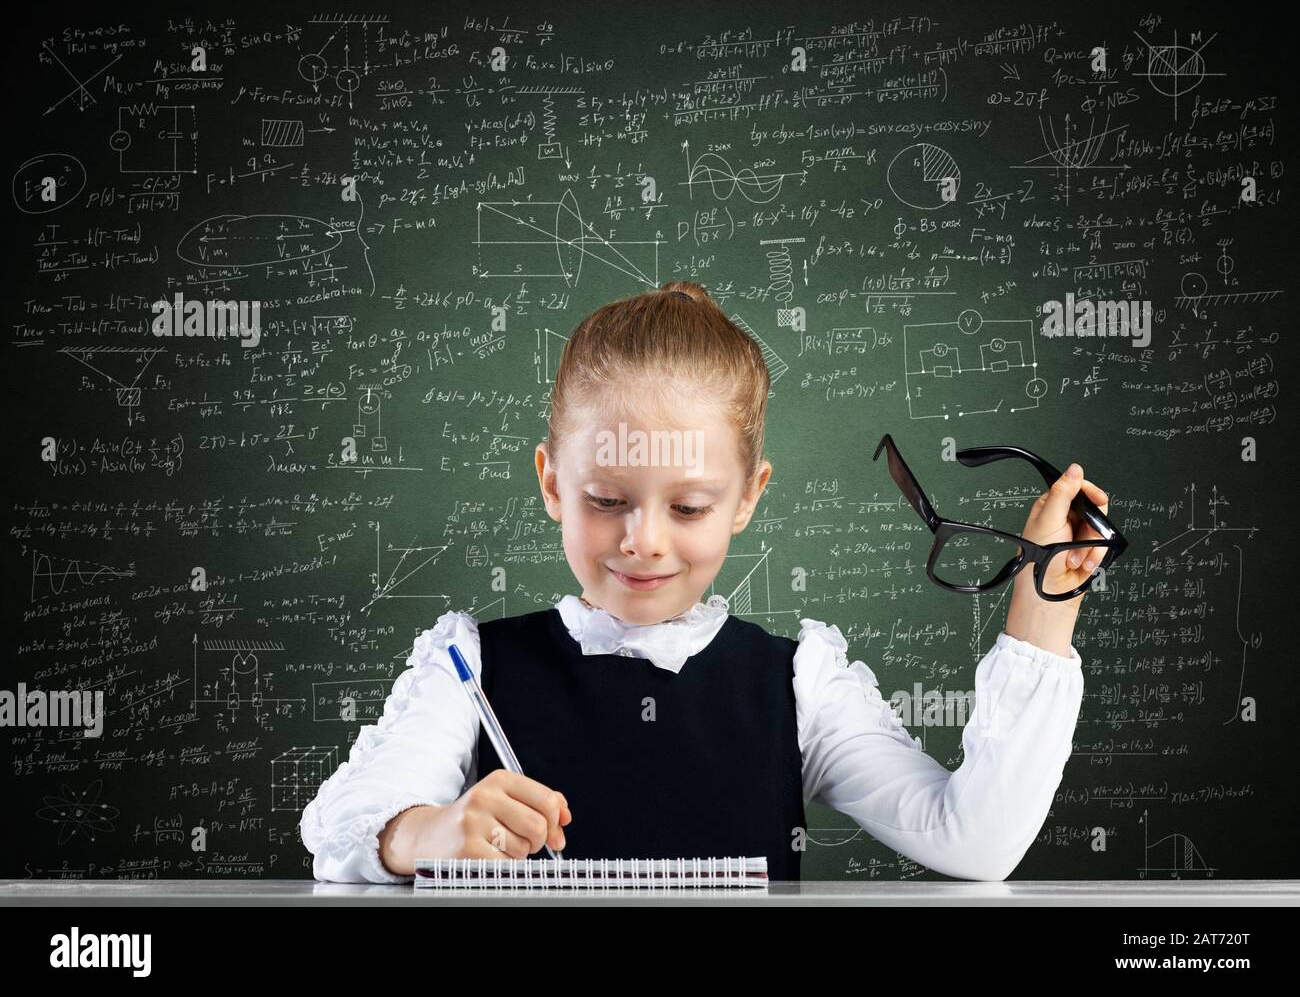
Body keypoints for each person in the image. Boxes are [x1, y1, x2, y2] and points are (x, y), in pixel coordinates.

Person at [300, 281, 1106, 882]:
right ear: (550, 482)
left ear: (749, 496)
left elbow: (976, 840)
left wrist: (1044, 598)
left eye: (688, 505)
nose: (642, 540)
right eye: (605, 499)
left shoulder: (799, 684)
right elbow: (339, 830)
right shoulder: (469, 669)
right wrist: (424, 833)